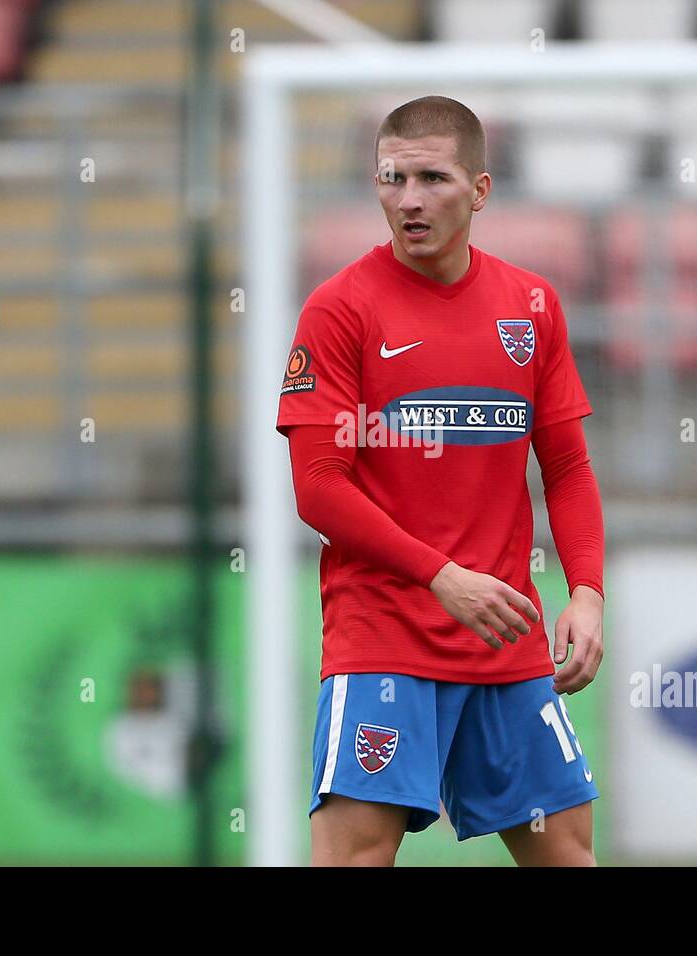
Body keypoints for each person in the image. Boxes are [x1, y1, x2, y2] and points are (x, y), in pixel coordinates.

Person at [276, 95, 605, 866]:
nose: (409, 199)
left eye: (432, 177)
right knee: (354, 858)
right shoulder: (340, 310)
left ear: (481, 191)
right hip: (386, 637)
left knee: (568, 855)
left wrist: (586, 590)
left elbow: (566, 465)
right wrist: (440, 576)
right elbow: (318, 486)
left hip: (504, 638)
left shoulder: (531, 306)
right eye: (393, 178)